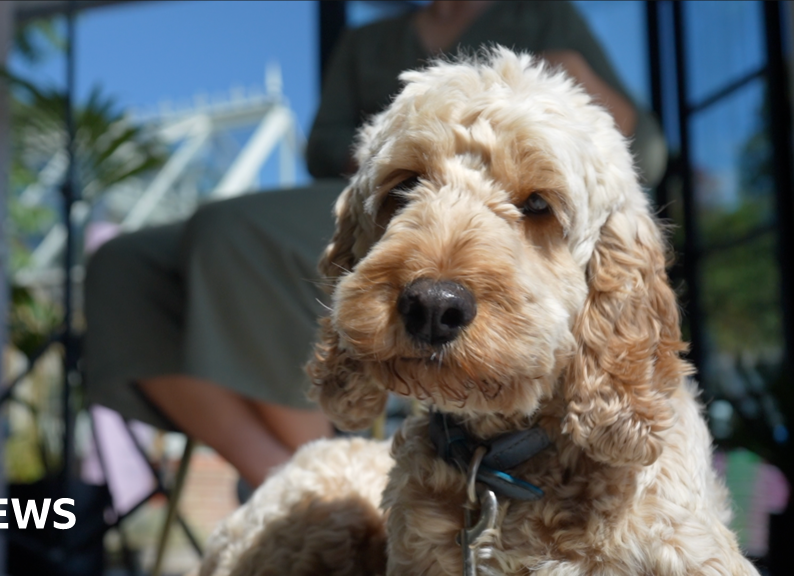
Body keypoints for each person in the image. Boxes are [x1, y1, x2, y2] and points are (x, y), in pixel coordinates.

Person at [83, 0, 664, 490]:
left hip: (500, 224)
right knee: (121, 265)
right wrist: (398, 159)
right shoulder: (368, 41)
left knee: (228, 230)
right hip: (380, 195)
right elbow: (323, 144)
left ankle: (322, 489)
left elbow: (648, 153)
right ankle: (292, 483)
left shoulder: (544, 16)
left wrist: (577, 82)